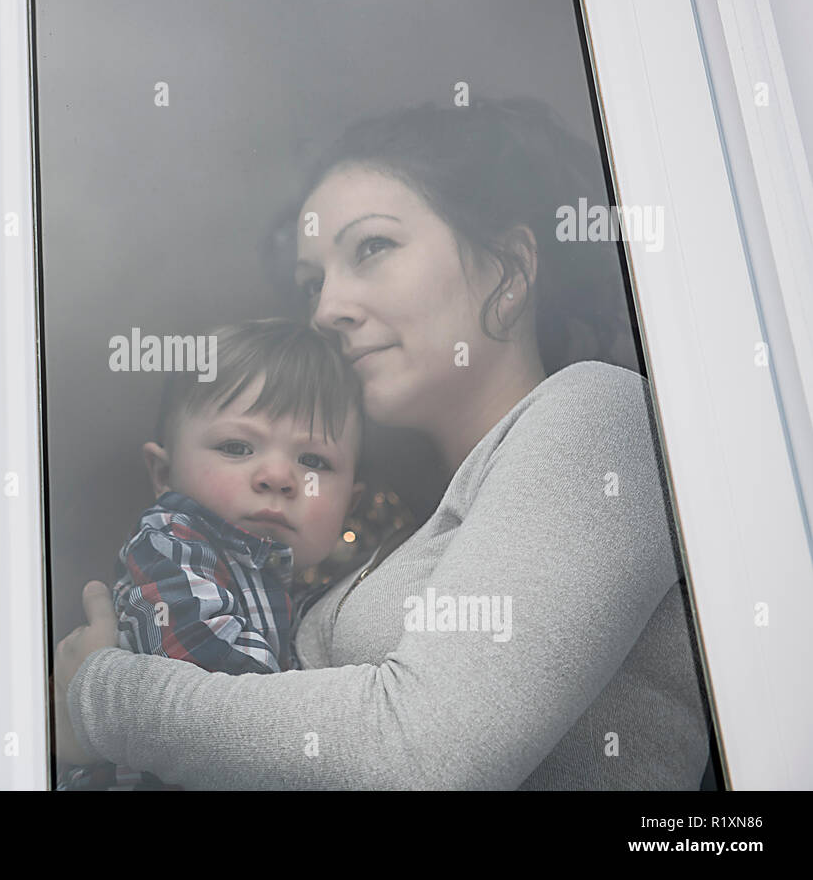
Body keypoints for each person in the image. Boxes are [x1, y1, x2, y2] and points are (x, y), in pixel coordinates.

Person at [53, 98, 712, 789]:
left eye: (371, 247)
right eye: (312, 283)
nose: (326, 309)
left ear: (510, 271)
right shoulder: (398, 526)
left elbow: (420, 752)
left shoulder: (595, 416)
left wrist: (100, 697)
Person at [59, 319, 365, 789]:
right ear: (163, 473)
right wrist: (343, 710)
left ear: (350, 500)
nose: (280, 476)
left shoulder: (310, 597)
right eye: (237, 447)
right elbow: (221, 698)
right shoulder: (171, 542)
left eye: (314, 461)